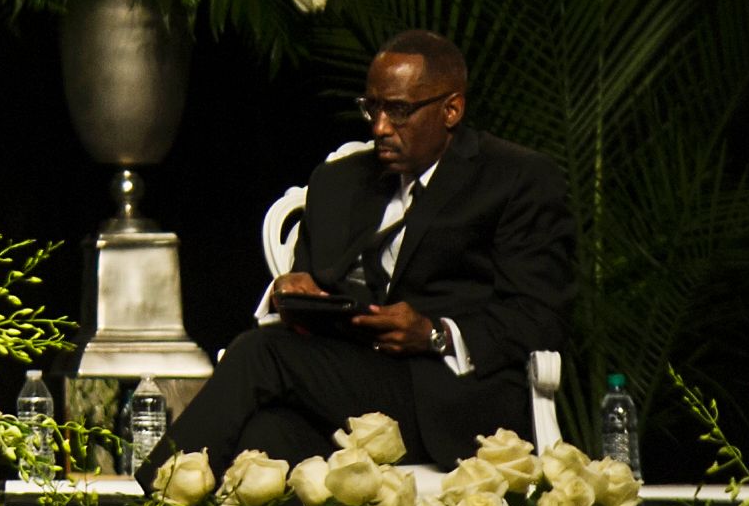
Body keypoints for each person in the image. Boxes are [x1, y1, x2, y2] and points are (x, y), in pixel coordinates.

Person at [155, 28, 573, 475]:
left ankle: (155, 505)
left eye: (398, 111)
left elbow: (539, 316)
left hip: (446, 396)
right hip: (342, 382)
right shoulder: (339, 181)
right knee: (267, 437)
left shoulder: (514, 178)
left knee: (262, 353)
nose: (379, 128)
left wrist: (435, 332)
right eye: (371, 108)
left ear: (452, 109)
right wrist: (293, 290)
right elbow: (309, 283)